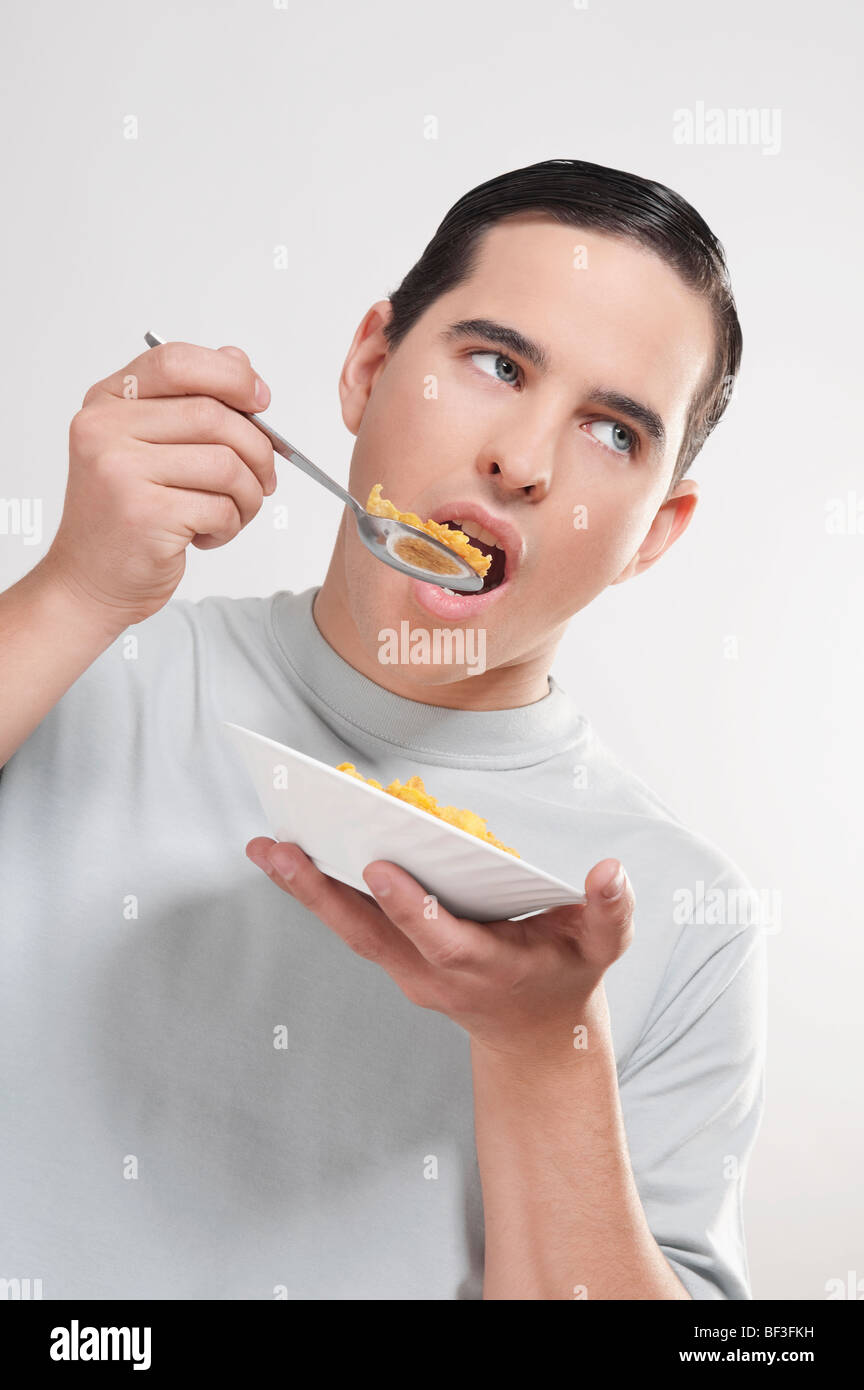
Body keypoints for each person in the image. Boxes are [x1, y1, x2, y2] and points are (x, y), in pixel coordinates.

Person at [0, 158, 765, 1300]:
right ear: (368, 367)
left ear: (655, 534)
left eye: (613, 433)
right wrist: (73, 590)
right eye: (497, 363)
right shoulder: (84, 671)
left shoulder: (683, 919)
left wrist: (540, 1050)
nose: (524, 460)